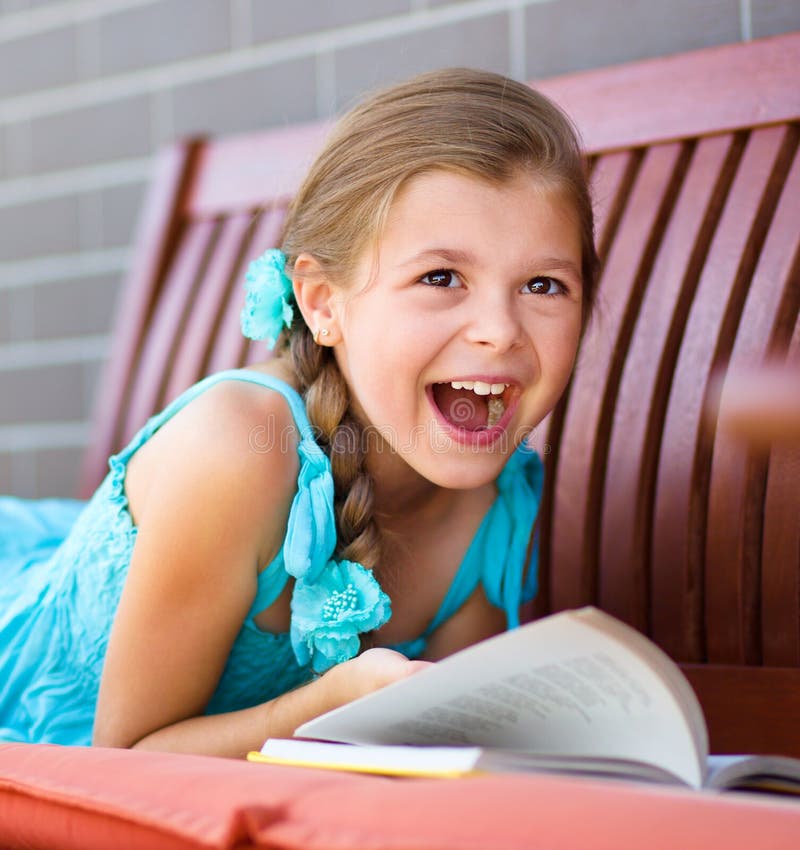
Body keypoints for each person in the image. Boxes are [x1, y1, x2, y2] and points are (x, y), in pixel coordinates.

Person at [0, 67, 597, 757]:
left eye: (543, 284)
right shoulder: (237, 449)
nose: (500, 329)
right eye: (440, 277)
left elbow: (451, 755)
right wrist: (326, 709)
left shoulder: (494, 500)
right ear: (321, 303)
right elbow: (127, 758)